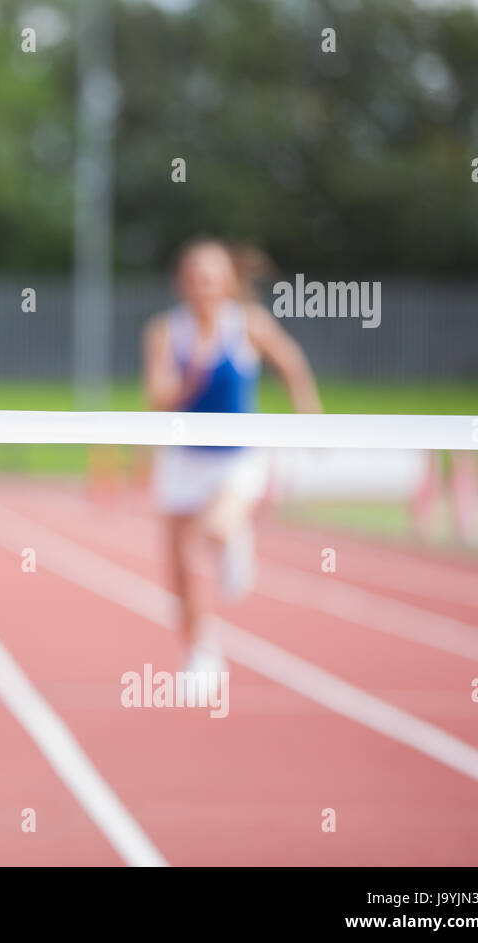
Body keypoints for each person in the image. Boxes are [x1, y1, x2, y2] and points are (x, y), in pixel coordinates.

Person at [142, 239, 321, 680]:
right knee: (181, 568)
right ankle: (201, 655)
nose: (203, 286)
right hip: (184, 459)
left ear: (226, 283)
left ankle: (234, 538)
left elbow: (291, 363)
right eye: (195, 278)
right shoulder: (166, 331)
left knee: (216, 526)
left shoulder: (248, 325)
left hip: (237, 459)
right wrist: (192, 378)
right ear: (182, 283)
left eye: (212, 278)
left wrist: (311, 418)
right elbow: (156, 400)